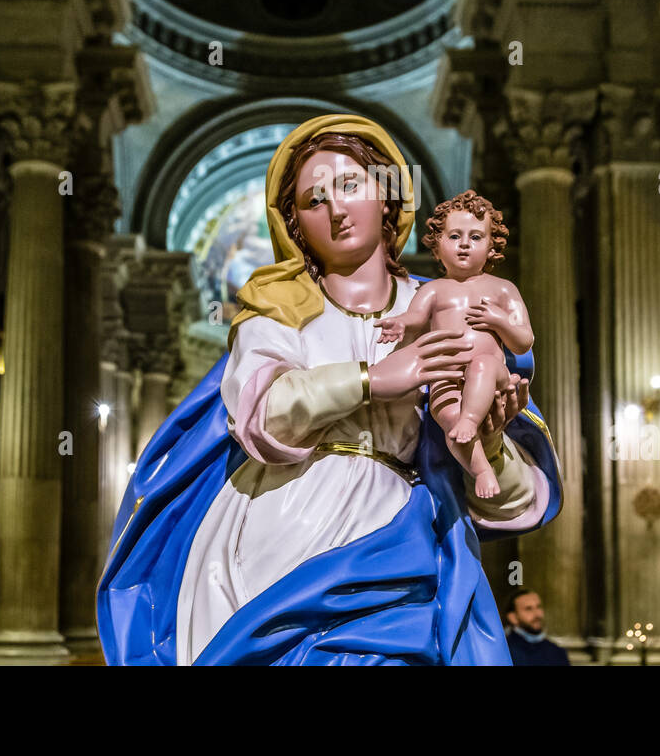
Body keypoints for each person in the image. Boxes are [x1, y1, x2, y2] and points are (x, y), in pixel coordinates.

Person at [96, 114, 563, 665]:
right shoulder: (275, 307)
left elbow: (515, 504)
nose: (337, 209)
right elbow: (263, 417)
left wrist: (484, 443)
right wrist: (373, 379)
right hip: (275, 542)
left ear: (387, 197)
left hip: (405, 546)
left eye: (350, 186)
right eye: (314, 200)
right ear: (293, 223)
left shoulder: (443, 303)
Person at [376, 190, 534, 496]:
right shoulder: (434, 290)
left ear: (491, 247)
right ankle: (481, 469)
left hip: (491, 377)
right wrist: (399, 323)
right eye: (454, 236)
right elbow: (415, 317)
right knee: (451, 420)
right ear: (437, 246)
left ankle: (471, 419)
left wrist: (500, 320)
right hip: (445, 377)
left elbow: (523, 341)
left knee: (483, 365)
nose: (464, 243)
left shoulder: (502, 290)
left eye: (476, 237)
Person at [504, 591, 571, 666]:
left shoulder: (557, 652)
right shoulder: (504, 652)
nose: (537, 614)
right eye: (528, 609)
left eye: (538, 607)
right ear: (513, 617)